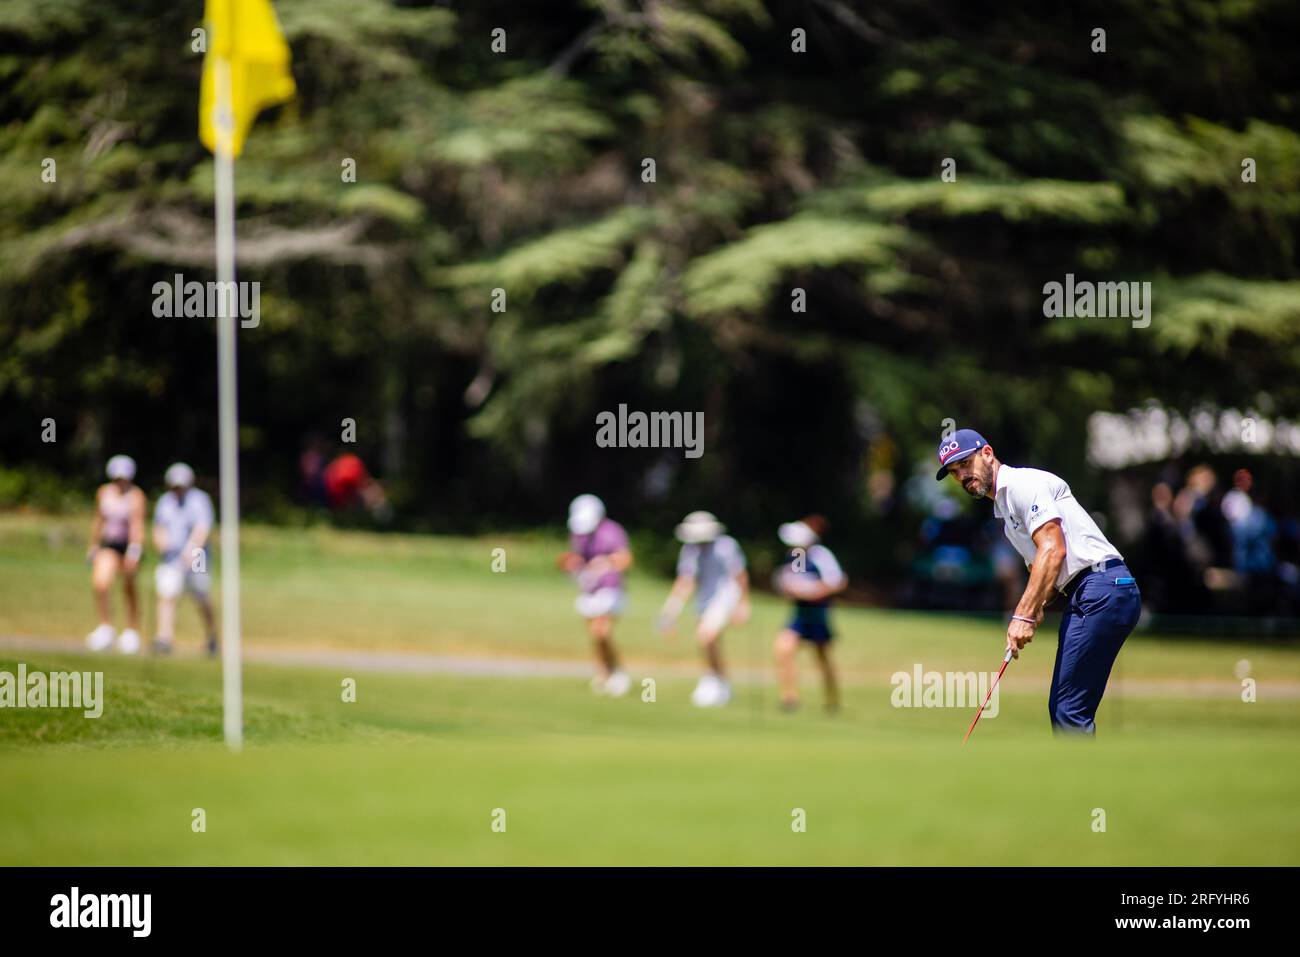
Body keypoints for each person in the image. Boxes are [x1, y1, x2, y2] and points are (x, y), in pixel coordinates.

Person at [937, 429, 1140, 735]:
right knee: (1066, 708)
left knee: (1068, 710)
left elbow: (1053, 549)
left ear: (987, 454)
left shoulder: (1021, 485)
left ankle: (1086, 783)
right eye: (954, 472)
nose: (962, 476)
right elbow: (1043, 571)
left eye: (965, 464)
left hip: (1100, 587)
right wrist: (1037, 605)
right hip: (1098, 590)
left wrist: (1022, 615)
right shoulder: (1006, 517)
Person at [658, 511, 750, 707]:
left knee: (706, 636)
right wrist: (670, 612)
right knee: (709, 643)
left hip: (726, 597)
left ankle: (711, 681)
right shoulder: (690, 550)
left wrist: (742, 604)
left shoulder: (727, 546)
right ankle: (720, 681)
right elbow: (685, 582)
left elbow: (739, 575)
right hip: (704, 599)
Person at [557, 494, 633, 696]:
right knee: (595, 635)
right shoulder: (578, 534)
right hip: (589, 589)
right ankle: (604, 674)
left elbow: (626, 559)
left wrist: (606, 564)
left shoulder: (612, 532)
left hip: (611, 589)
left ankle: (617, 672)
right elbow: (576, 559)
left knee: (601, 632)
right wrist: (571, 564)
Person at [772, 516, 848, 713]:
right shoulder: (796, 555)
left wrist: (815, 592)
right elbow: (794, 582)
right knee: (783, 649)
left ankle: (832, 700)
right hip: (800, 614)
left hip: (818, 615)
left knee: (822, 657)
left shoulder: (821, 556)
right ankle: (789, 698)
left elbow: (838, 582)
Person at [152, 463, 218, 657]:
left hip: (198, 556)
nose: (178, 489)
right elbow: (159, 527)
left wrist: (191, 549)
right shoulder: (165, 502)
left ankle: (212, 637)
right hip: (172, 556)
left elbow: (202, 529)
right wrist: (160, 543)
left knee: (201, 596)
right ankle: (164, 638)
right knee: (167, 594)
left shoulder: (200, 500)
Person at [85, 455, 147, 653]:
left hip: (128, 546)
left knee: (129, 588)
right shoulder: (103, 492)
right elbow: (98, 520)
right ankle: (106, 627)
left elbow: (137, 525)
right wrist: (93, 545)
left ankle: (131, 630)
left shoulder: (137, 496)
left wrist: (135, 550)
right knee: (101, 583)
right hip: (109, 545)